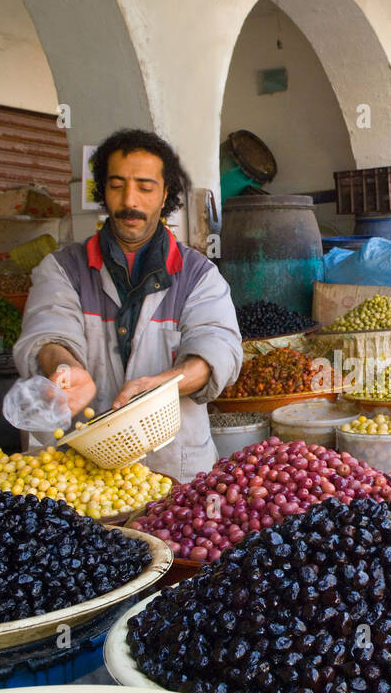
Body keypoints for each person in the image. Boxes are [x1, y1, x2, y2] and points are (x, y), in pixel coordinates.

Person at [13, 129, 242, 482]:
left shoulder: (198, 275)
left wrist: (163, 385)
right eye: (117, 185)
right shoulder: (63, 269)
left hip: (172, 470)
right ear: (103, 191)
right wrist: (64, 367)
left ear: (165, 194)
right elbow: (47, 331)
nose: (130, 200)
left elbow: (217, 349)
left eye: (145, 187)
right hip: (78, 474)